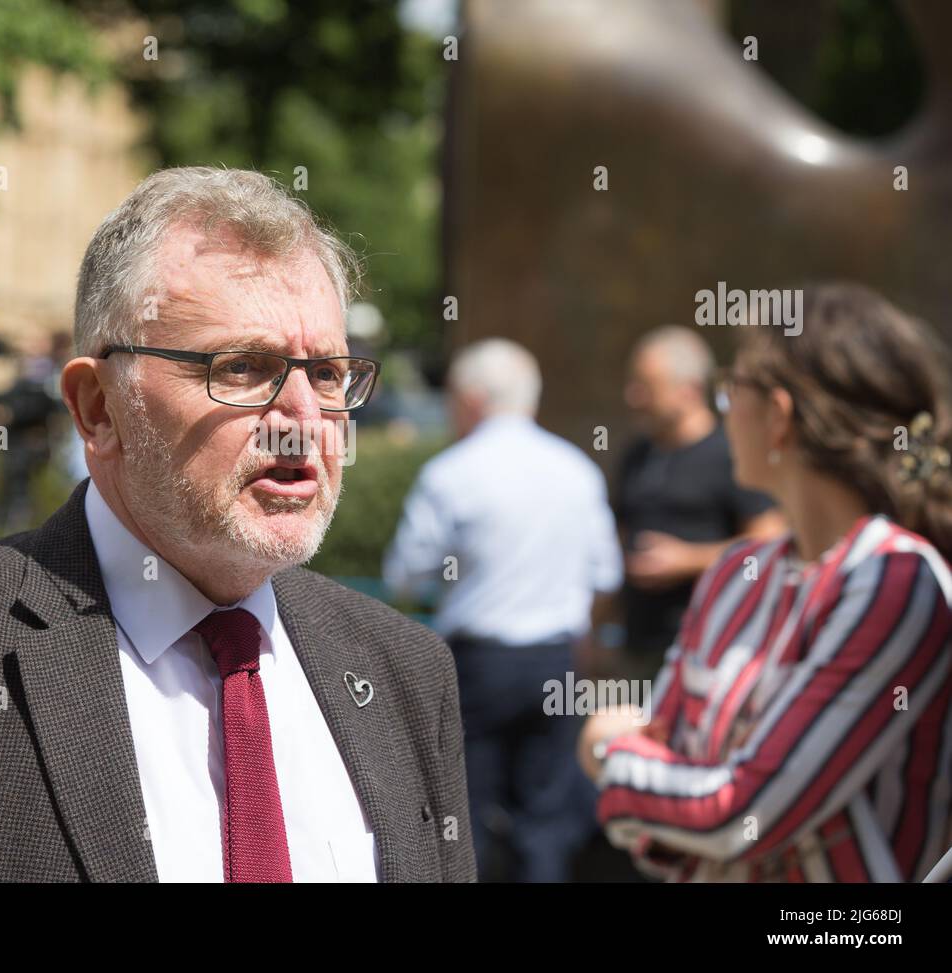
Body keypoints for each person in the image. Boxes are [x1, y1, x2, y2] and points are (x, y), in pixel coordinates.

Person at [0, 167, 476, 883]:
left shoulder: (405, 672)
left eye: (328, 374)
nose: (305, 421)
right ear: (97, 407)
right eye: (243, 367)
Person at [580, 282, 952, 882]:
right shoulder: (735, 574)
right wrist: (680, 809)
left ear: (777, 416)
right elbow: (681, 817)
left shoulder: (894, 577)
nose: (723, 407)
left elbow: (737, 813)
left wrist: (606, 752)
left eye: (733, 387)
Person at [383, 338, 622, 881]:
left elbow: (404, 572)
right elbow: (606, 572)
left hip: (478, 665)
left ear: (469, 398)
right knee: (546, 819)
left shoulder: (451, 472)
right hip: (556, 661)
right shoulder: (576, 470)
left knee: (463, 814)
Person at [615, 325, 784, 678]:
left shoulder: (731, 455)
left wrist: (688, 560)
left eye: (646, 387)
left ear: (688, 391)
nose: (633, 397)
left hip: (709, 650)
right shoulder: (637, 454)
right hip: (639, 645)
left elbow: (769, 541)